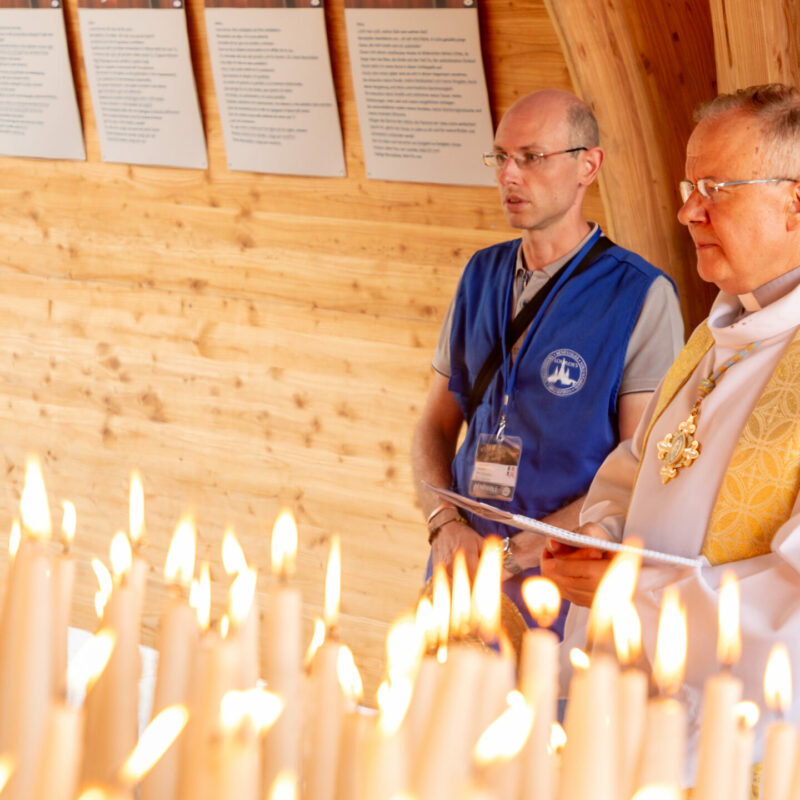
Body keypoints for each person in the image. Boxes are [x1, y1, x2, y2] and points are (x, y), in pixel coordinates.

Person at [542, 82, 800, 779]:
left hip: (743, 753)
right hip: (627, 717)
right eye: (690, 184)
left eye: (716, 186)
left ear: (796, 201)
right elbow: (636, 468)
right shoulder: (715, 332)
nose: (688, 210)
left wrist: (633, 592)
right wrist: (596, 537)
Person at [411, 88, 684, 632]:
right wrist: (443, 524)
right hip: (459, 571)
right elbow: (433, 425)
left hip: (559, 587)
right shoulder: (480, 275)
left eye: (531, 157)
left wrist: (515, 556)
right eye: (501, 157)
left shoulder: (640, 296)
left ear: (588, 165)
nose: (509, 175)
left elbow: (640, 473)